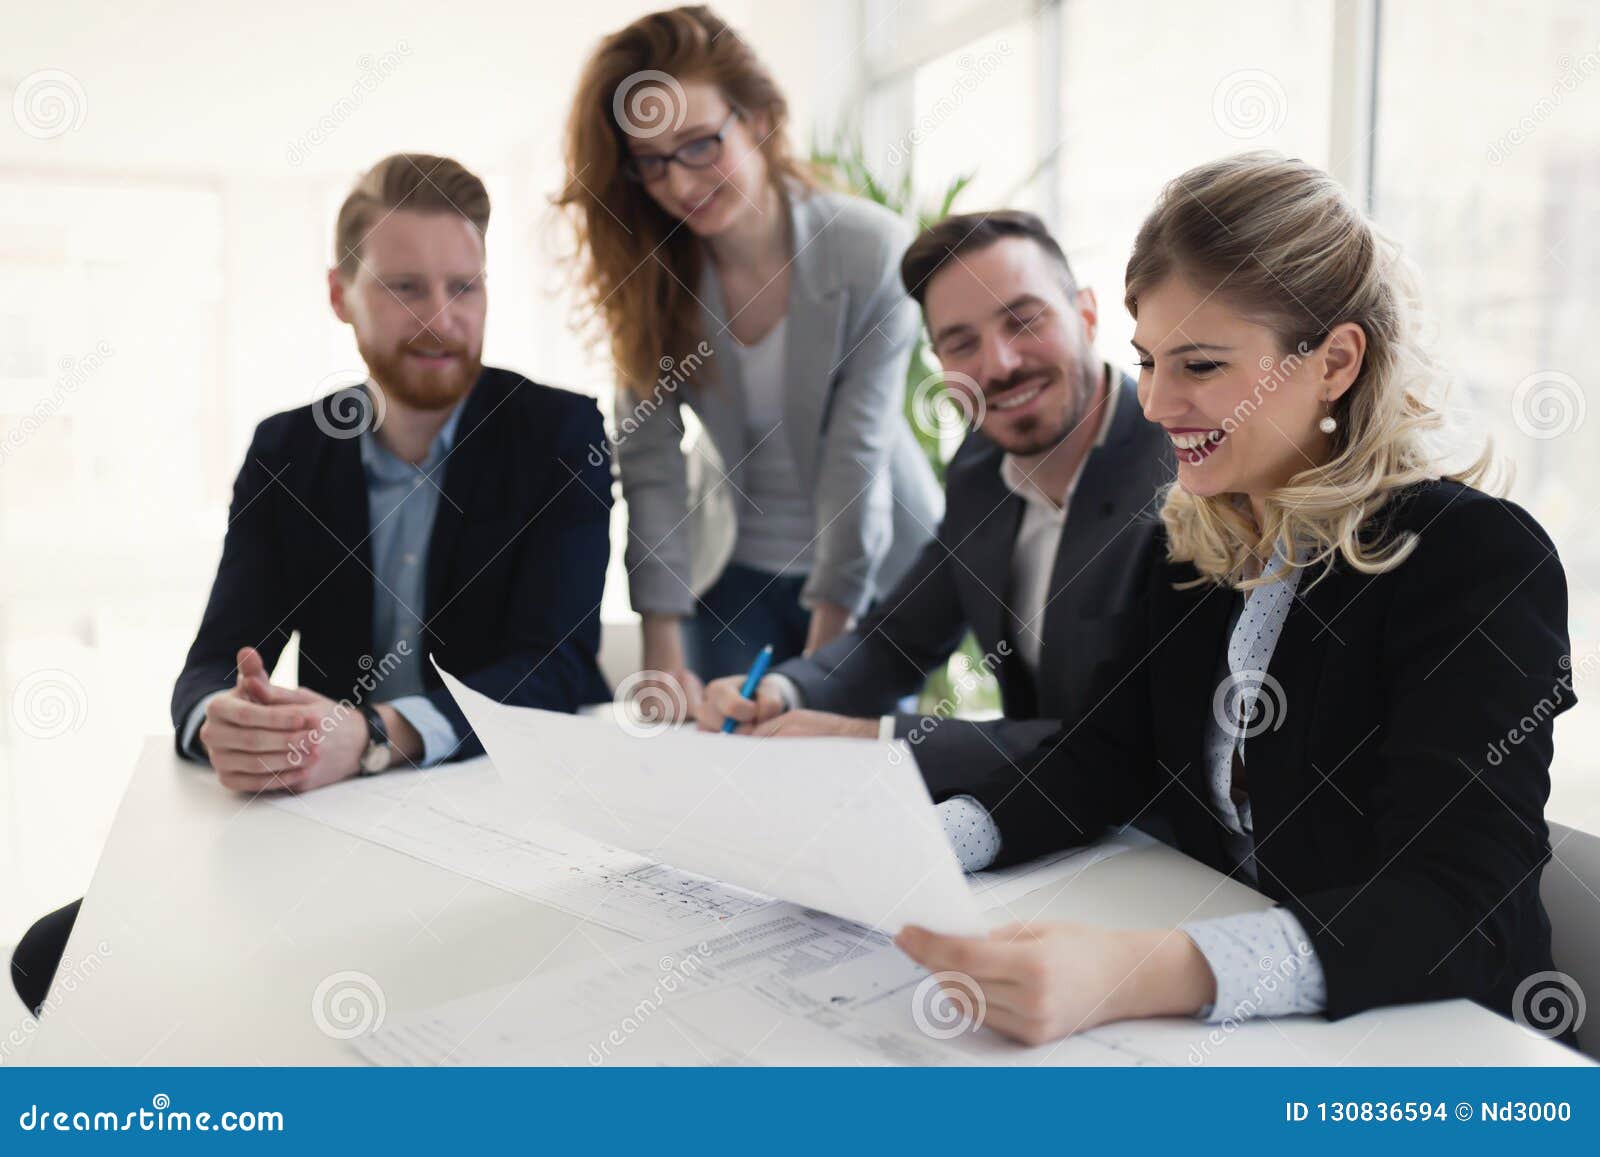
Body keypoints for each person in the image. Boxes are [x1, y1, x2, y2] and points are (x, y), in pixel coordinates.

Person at [896, 152, 1576, 1047]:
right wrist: (927, 848)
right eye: (1146, 362)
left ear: (1334, 361)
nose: (1156, 402)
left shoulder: (1476, 558)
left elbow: (1453, 906)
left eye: (1202, 365)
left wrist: (1140, 971)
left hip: (1437, 1044)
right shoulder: (1195, 547)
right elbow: (1101, 754)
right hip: (1254, 1032)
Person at [11, 152, 613, 1015]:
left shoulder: (558, 431)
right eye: (406, 286)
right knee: (53, 959)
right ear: (341, 294)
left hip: (494, 810)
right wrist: (223, 719)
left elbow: (553, 667)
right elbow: (213, 661)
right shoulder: (288, 449)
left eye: (465, 287)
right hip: (325, 812)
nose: (441, 318)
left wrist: (374, 733)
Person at [695, 211, 1173, 809]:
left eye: (1023, 321)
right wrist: (785, 691)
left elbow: (1112, 747)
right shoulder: (980, 468)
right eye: (961, 343)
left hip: (1159, 843)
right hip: (1035, 827)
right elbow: (895, 641)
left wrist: (873, 740)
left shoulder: (1177, 472)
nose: (999, 365)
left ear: (1086, 314)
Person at [558, 5, 941, 714]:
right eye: (650, 162)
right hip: (735, 567)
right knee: (720, 761)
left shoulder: (870, 248)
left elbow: (858, 453)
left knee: (850, 766)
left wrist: (823, 664)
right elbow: (650, 463)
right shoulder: (652, 273)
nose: (678, 183)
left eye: (701, 144)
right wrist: (662, 640)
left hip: (876, 563)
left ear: (759, 118)